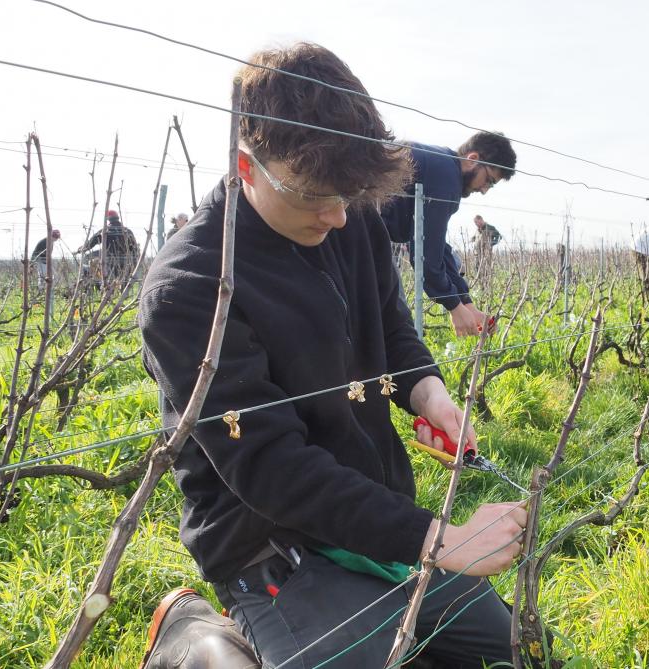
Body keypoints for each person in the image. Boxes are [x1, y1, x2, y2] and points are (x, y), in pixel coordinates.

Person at [137, 43, 526, 668]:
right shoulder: (189, 288)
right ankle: (198, 638)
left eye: (351, 195)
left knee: (512, 653)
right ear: (247, 166)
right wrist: (443, 539)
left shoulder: (351, 214)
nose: (341, 217)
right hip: (273, 544)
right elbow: (271, 468)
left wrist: (430, 394)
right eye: (319, 196)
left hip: (375, 514)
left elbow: (393, 330)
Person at [380, 133, 516, 337]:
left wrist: (465, 302)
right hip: (350, 226)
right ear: (473, 160)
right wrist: (454, 306)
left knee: (391, 318)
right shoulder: (445, 178)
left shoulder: (441, 165)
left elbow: (436, 245)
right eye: (488, 180)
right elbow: (426, 254)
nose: (485, 190)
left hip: (359, 228)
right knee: (394, 324)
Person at [79, 209, 140, 284]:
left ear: (107, 219)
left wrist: (82, 249)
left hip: (109, 262)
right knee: (123, 282)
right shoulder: (127, 231)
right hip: (125, 263)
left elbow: (90, 243)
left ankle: (97, 282)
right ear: (118, 217)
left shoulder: (105, 231)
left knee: (89, 260)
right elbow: (135, 249)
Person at [471, 214, 501, 278]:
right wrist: (472, 239)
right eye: (475, 223)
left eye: (476, 222)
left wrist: (491, 244)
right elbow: (476, 237)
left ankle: (486, 284)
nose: (475, 224)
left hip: (486, 254)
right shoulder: (477, 230)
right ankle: (480, 284)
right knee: (477, 269)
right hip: (477, 254)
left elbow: (499, 236)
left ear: (481, 220)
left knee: (486, 270)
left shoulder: (490, 228)